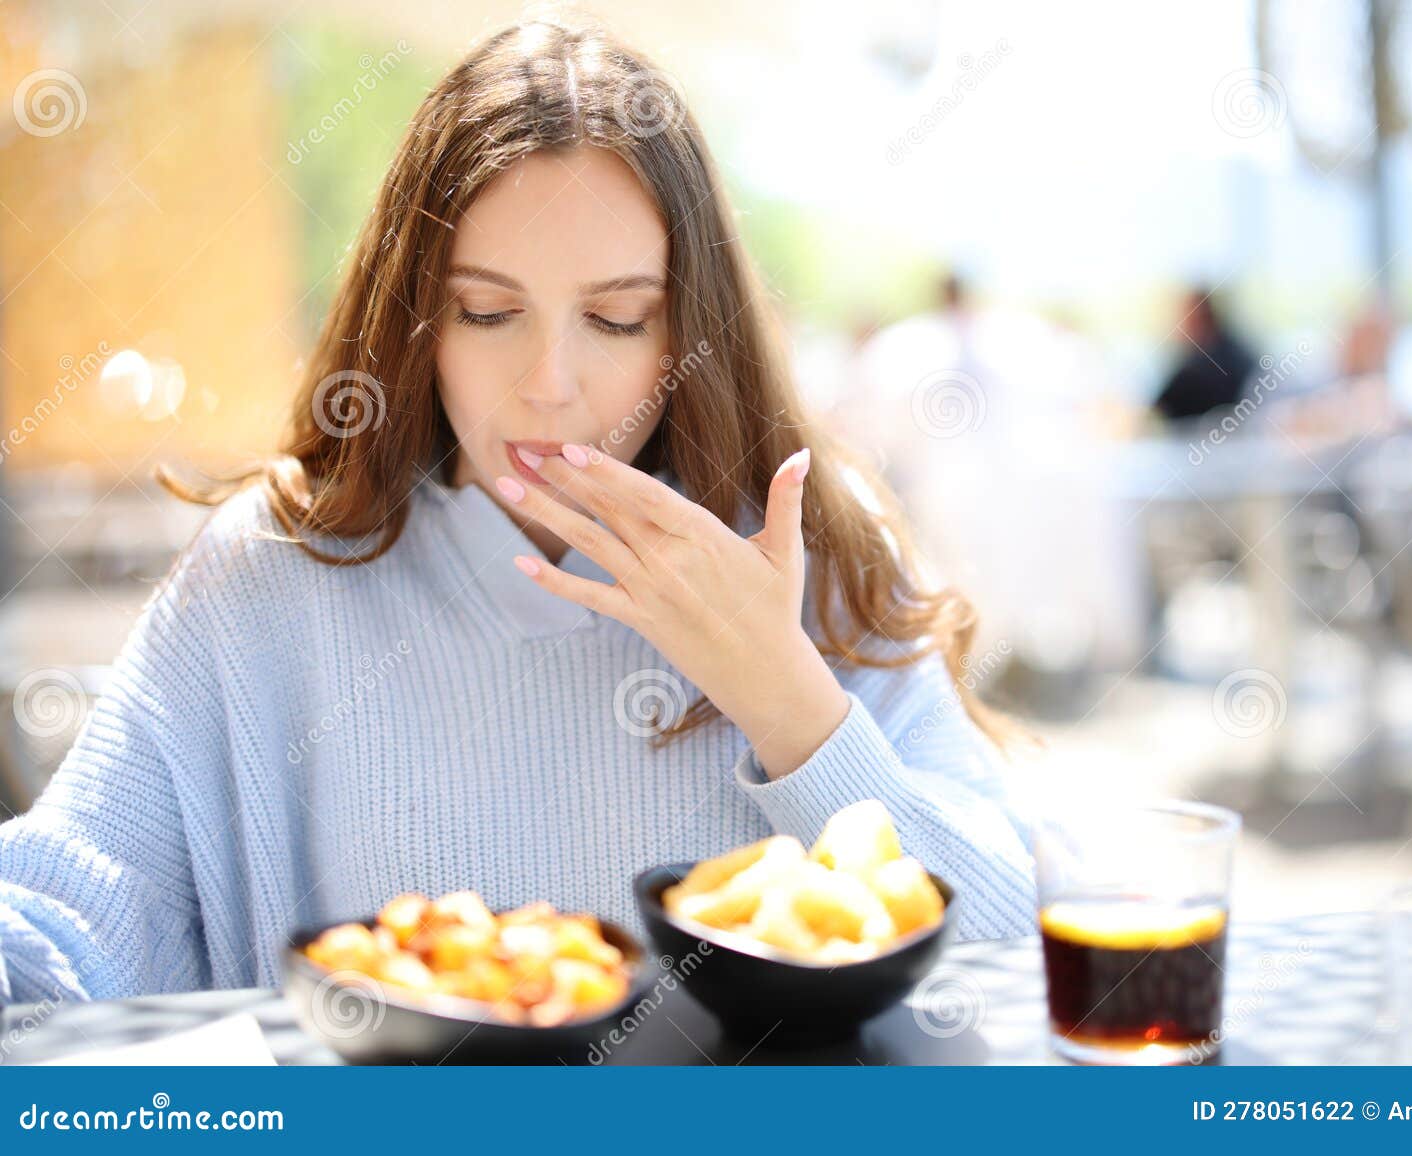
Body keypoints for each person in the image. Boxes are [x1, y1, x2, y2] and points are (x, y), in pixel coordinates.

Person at [0, 15, 1037, 1004]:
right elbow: (63, 924)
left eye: (616, 317)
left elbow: (1012, 952)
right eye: (487, 312)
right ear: (419, 324)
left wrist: (790, 705)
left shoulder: (804, 548)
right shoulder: (272, 575)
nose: (550, 382)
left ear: (686, 332)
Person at [1150, 286, 1258, 423]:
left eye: (1183, 319)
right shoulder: (1240, 353)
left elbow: (1160, 410)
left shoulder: (1200, 367)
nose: (1178, 327)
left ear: (1199, 318)